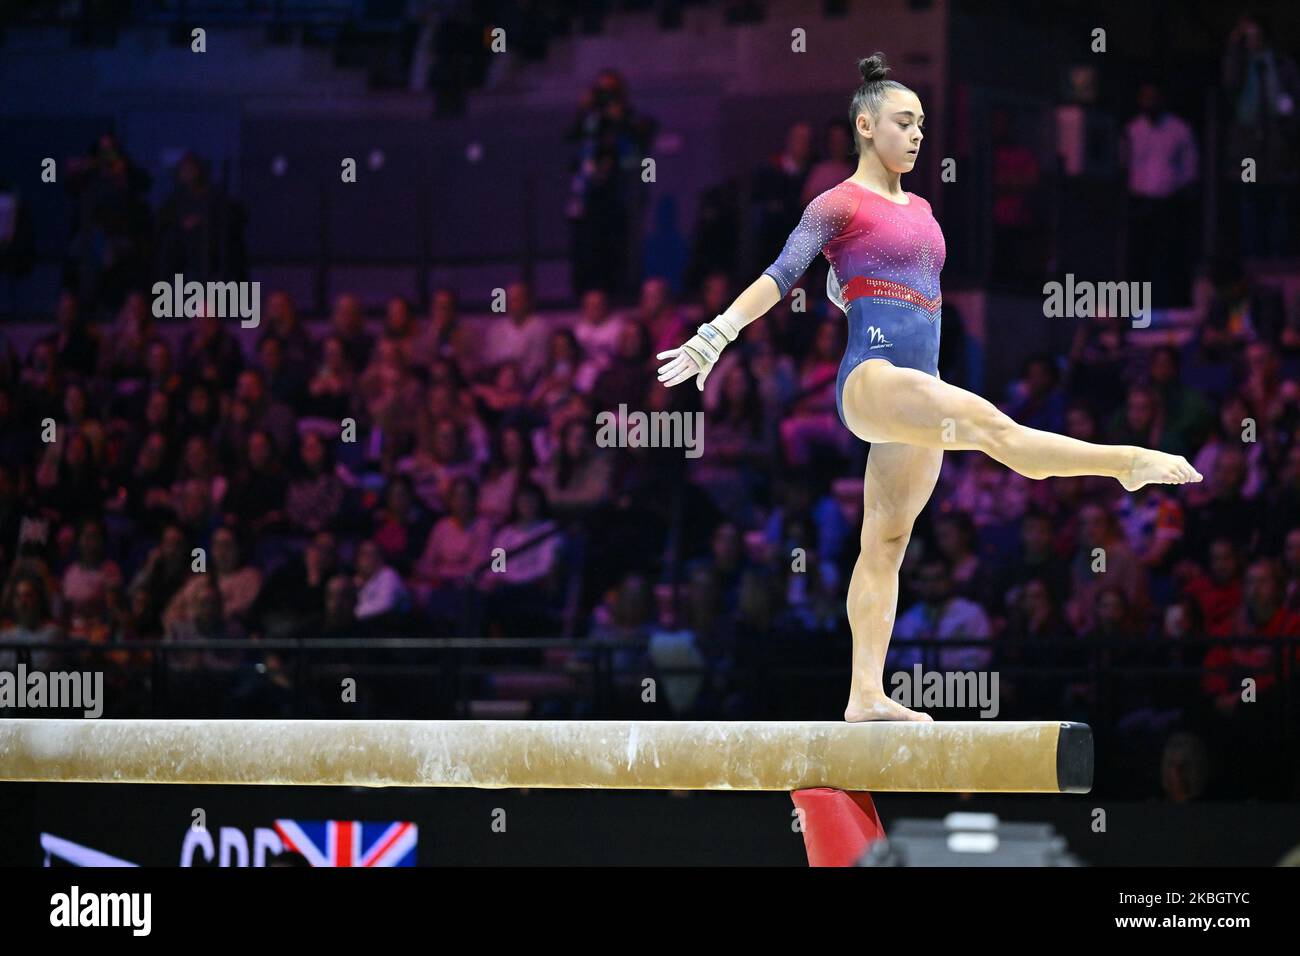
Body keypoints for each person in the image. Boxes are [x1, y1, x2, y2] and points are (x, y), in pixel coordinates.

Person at [656, 52, 1202, 723]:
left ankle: (863, 695)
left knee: (885, 544)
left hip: (919, 384)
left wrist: (843, 292)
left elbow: (874, 287)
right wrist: (715, 334)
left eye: (921, 125)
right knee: (996, 431)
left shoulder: (922, 206)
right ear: (865, 124)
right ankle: (1123, 463)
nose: (917, 135)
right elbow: (781, 273)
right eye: (904, 123)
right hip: (873, 380)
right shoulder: (838, 201)